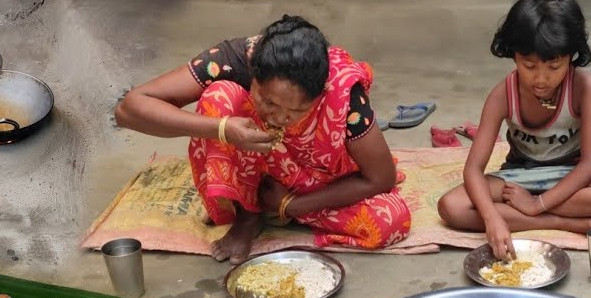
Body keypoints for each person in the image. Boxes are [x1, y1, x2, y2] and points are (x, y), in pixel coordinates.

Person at [114, 15, 411, 264]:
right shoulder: (232, 59)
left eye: (297, 111)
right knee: (220, 97)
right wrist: (222, 129)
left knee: (391, 220)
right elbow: (129, 109)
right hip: (255, 170)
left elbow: (382, 177)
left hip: (316, 182)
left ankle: (283, 211)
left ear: (321, 93)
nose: (278, 118)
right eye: (268, 102)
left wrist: (293, 205)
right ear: (253, 73)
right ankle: (248, 215)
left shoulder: (342, 90)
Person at [437, 0, 591, 260]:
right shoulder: (502, 96)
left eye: (554, 67)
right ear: (514, 55)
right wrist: (491, 219)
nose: (541, 79)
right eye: (529, 65)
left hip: (574, 177)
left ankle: (533, 214)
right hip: (519, 176)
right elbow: (473, 169)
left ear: (571, 56)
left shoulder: (586, 88)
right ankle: (563, 222)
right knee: (451, 206)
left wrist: (537, 203)